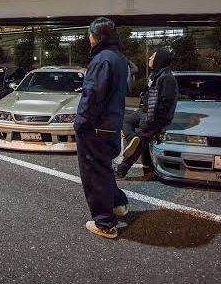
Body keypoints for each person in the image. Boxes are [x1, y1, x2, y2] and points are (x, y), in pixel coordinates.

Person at [74, 17, 129, 239]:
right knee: (103, 168)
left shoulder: (101, 59)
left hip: (96, 127)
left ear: (97, 36)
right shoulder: (119, 58)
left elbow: (92, 95)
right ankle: (118, 204)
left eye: (89, 34)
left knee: (93, 174)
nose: (89, 38)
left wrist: (80, 122)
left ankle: (105, 224)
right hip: (112, 124)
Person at [116, 49, 178, 180]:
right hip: (144, 111)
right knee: (123, 119)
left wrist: (154, 121)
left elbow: (166, 103)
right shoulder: (155, 75)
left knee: (141, 140)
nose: (149, 58)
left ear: (159, 60)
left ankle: (121, 170)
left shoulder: (167, 78)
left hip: (154, 117)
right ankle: (132, 140)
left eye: (153, 57)